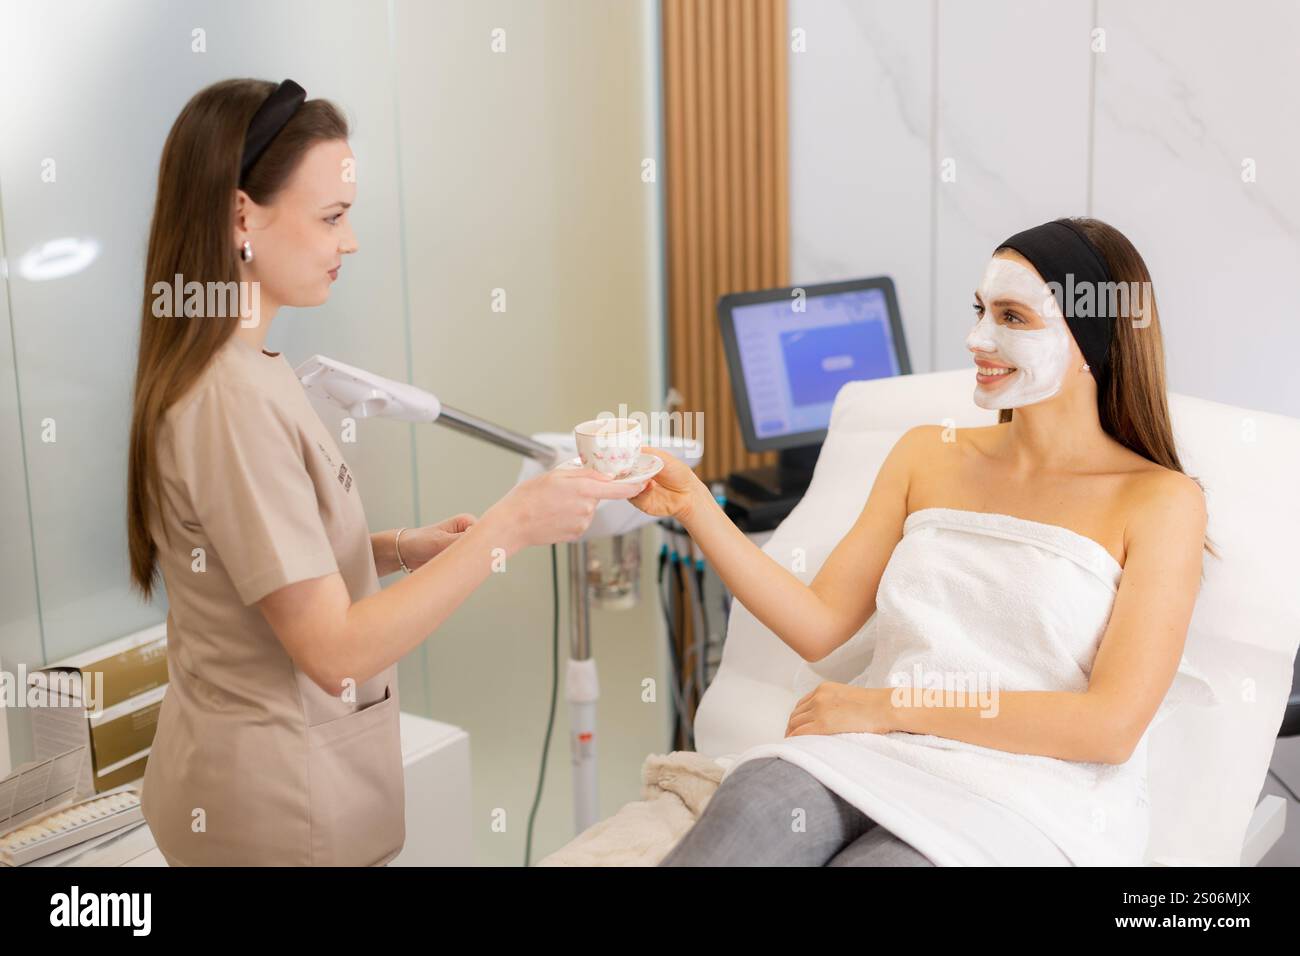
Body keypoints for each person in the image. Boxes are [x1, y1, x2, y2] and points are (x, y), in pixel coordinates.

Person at [125, 78, 645, 866]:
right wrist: (511, 526)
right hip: (269, 815)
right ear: (241, 217)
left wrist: (398, 548)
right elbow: (332, 648)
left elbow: (261, 564)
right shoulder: (228, 399)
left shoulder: (247, 368)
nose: (352, 241)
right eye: (331, 217)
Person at [629, 217, 1216, 866]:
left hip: (1024, 791)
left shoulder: (1160, 502)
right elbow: (821, 624)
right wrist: (691, 505)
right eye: (980, 310)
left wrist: (887, 706)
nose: (977, 338)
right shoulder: (927, 455)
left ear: (1090, 341)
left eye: (1012, 317)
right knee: (752, 811)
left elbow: (1109, 727)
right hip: (867, 752)